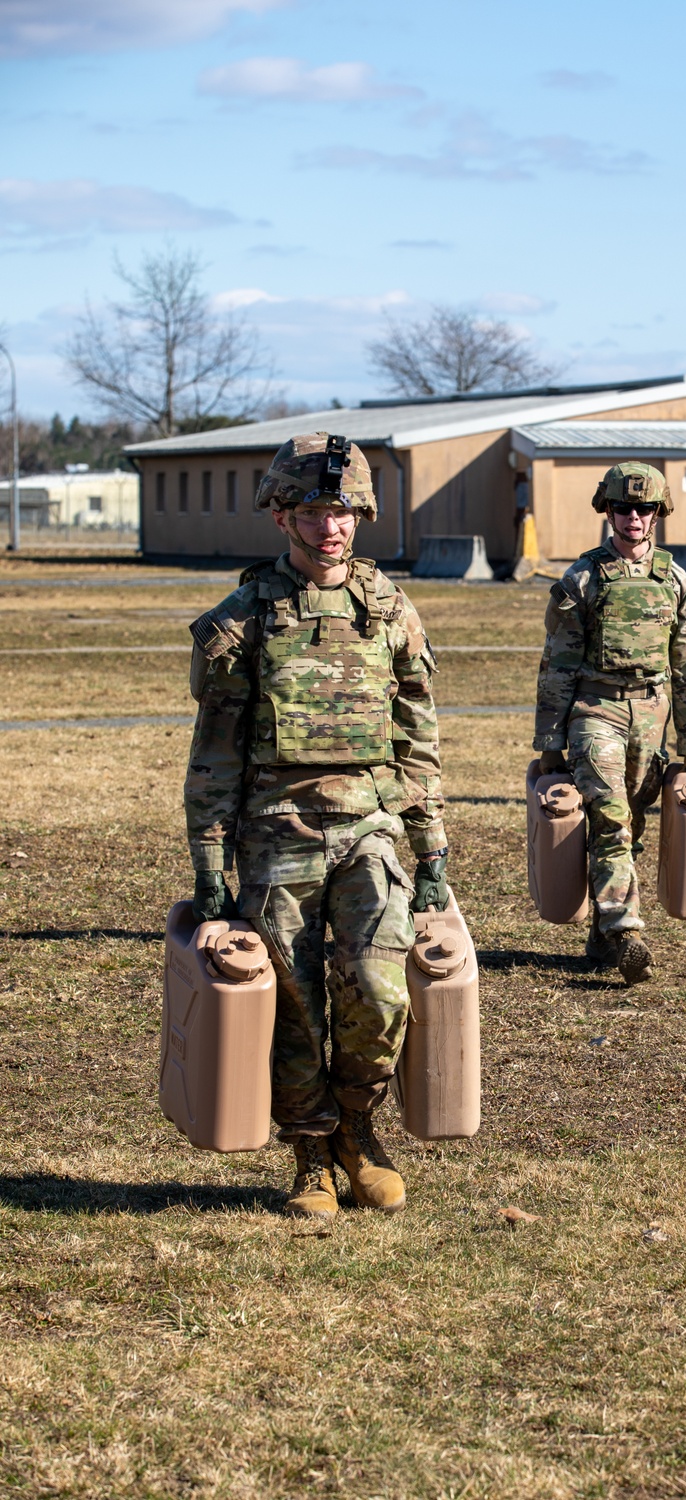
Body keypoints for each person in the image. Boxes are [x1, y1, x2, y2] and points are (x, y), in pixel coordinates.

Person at [184, 433, 448, 1220]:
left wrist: (431, 846)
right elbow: (214, 755)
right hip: (276, 833)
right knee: (294, 1008)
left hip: (369, 829)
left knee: (379, 988)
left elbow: (418, 737)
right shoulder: (244, 620)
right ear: (280, 516)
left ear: (360, 514)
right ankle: (311, 1151)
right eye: (311, 511)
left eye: (342, 511)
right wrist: (210, 869)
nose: (330, 527)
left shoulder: (389, 609)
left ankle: (358, 1131)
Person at [533, 462, 686, 986]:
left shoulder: (675, 580)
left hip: (652, 716)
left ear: (659, 513)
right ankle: (626, 931)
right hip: (596, 713)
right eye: (623, 508)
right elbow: (558, 665)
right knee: (610, 817)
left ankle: (601, 938)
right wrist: (550, 743)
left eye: (644, 508)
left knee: (629, 826)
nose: (634, 517)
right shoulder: (583, 578)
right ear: (607, 511)